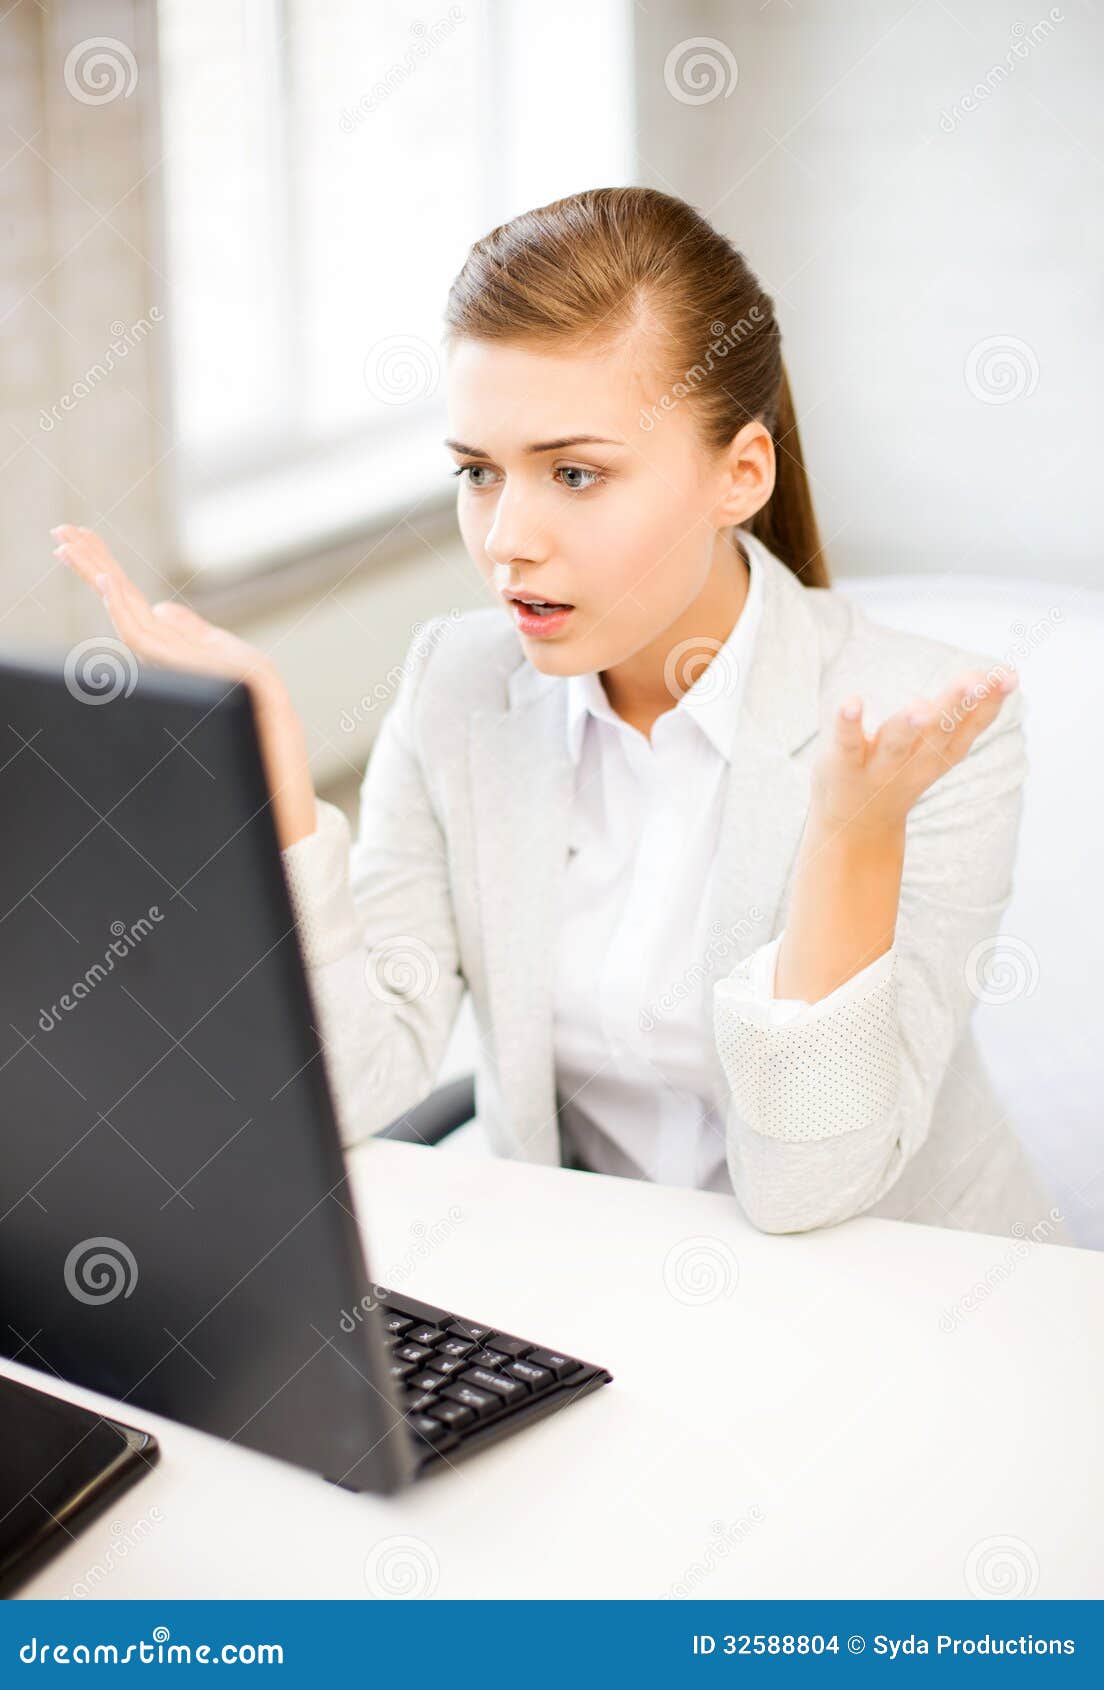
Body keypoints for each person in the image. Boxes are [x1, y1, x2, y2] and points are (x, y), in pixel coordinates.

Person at [53, 185, 1065, 1242]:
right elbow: (347, 1084)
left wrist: (852, 838)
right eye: (479, 473)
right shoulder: (459, 685)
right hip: (592, 1297)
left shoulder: (931, 732)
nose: (507, 542)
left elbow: (809, 1188)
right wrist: (268, 770)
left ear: (741, 474)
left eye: (575, 473)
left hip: (900, 1311)